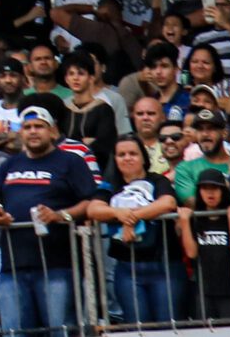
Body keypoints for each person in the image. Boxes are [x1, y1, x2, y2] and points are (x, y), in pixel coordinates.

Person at [0, 107, 99, 337]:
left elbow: (91, 202)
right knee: (13, 333)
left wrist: (61, 215)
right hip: (13, 266)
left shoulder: (70, 161)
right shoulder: (9, 164)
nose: (33, 132)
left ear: (52, 131)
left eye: (39, 126)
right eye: (27, 127)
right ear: (20, 133)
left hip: (58, 265)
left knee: (60, 331)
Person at [81, 134, 176, 328]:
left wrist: (132, 218)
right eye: (121, 154)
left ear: (143, 157)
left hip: (164, 265)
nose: (127, 158)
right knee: (137, 328)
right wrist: (118, 212)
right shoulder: (109, 186)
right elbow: (93, 209)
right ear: (114, 159)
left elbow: (168, 203)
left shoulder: (157, 180)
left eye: (133, 153)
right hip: (127, 268)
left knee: (169, 328)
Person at [182, 168, 230, 322]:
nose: (210, 193)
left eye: (215, 188)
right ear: (199, 191)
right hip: (204, 291)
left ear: (223, 191)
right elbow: (191, 253)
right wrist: (185, 222)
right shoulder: (196, 219)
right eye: (205, 188)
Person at [173, 105, 230, 203]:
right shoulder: (185, 168)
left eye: (211, 129)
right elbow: (192, 203)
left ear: (224, 133)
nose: (204, 134)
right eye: (200, 129)